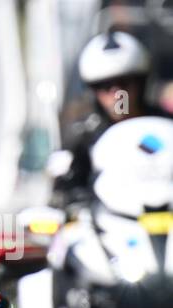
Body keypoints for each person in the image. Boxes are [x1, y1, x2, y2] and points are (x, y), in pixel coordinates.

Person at [51, 31, 169, 208]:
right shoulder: (85, 138)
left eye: (124, 82)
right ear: (93, 91)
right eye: (105, 86)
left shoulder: (166, 126)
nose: (117, 93)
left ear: (141, 82)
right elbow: (65, 193)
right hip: (109, 229)